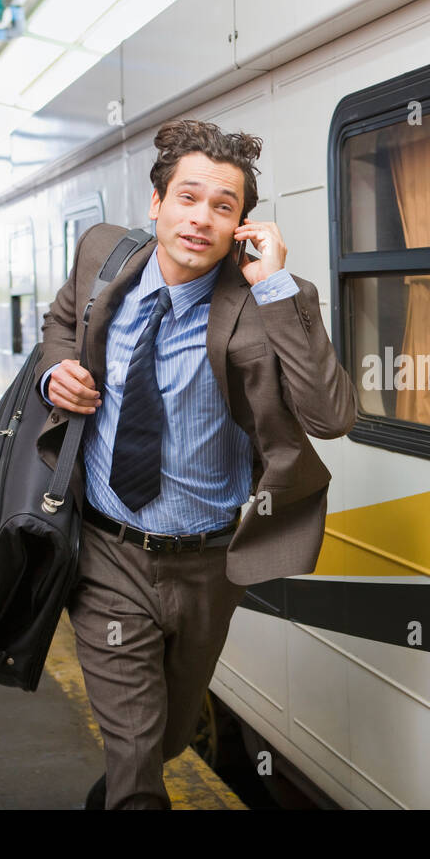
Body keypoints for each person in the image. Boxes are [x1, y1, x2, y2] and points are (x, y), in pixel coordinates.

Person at [34, 119, 357, 809]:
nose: (200, 218)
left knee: (169, 735)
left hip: (210, 564)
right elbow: (61, 321)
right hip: (106, 552)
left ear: (243, 224)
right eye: (188, 197)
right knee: (134, 752)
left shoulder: (264, 302)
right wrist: (54, 375)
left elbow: (332, 416)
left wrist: (276, 289)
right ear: (156, 203)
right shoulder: (100, 254)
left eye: (223, 206)